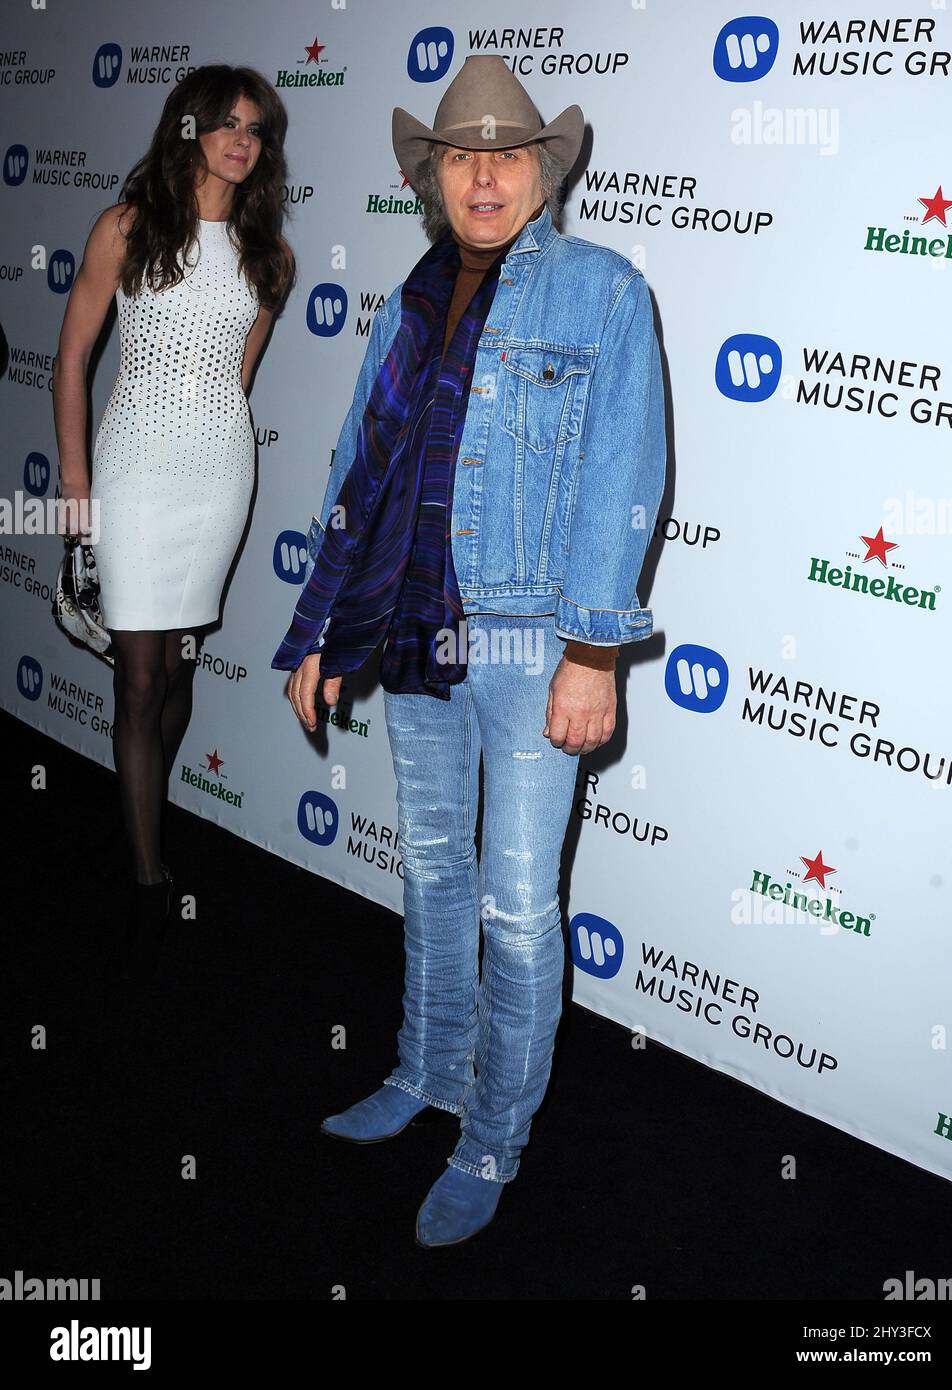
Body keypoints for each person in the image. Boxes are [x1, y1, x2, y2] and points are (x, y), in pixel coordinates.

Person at [272, 55, 666, 1245]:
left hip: (531, 641)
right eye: (460, 153)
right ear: (431, 174)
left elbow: (623, 478)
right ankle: (425, 1073)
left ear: (543, 174)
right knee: (432, 872)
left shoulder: (601, 291)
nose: (483, 173)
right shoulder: (408, 298)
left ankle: (494, 1133)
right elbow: (359, 467)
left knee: (515, 908)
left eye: (507, 153)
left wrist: (592, 655)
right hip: (412, 633)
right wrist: (323, 632)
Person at [53, 66, 295, 969]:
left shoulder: (266, 251)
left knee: (183, 661)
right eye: (227, 123)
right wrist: (76, 481)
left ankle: (143, 806)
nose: (241, 140)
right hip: (135, 468)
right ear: (188, 128)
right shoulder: (127, 227)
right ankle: (148, 879)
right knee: (140, 678)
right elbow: (73, 356)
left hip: (219, 471)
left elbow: (238, 378)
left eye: (257, 130)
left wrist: (215, 449)